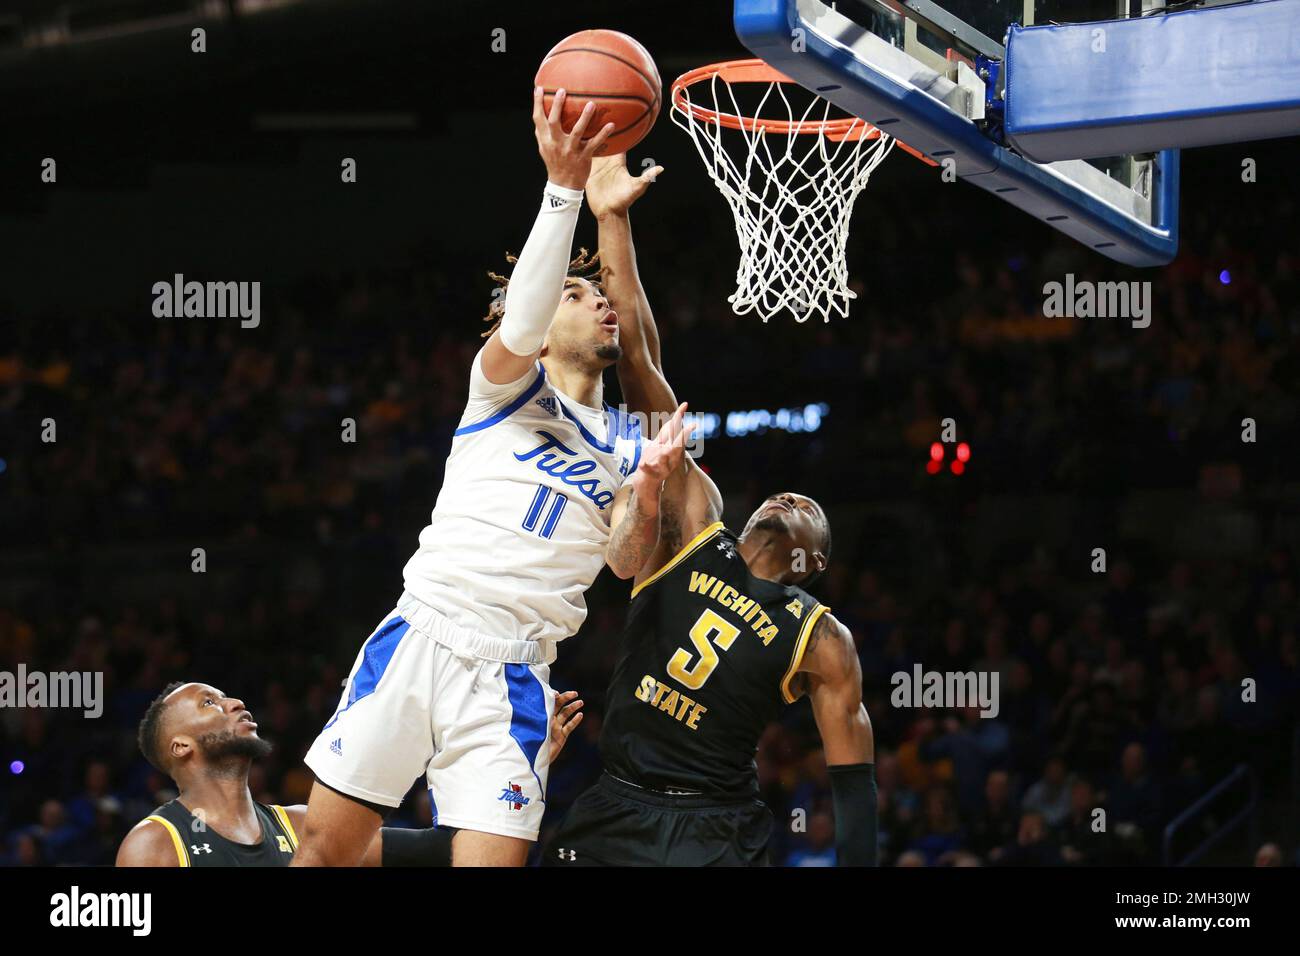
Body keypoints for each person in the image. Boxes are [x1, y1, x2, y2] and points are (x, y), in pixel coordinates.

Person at [291, 88, 692, 867]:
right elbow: (519, 318)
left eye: (596, 293)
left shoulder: (629, 443)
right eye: (574, 296)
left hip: (514, 676)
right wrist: (565, 189)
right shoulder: (502, 388)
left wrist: (644, 494)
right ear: (541, 332)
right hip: (423, 636)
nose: (598, 303)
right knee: (324, 854)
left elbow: (626, 561)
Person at [540, 154, 877, 866]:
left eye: (809, 507)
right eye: (784, 494)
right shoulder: (697, 530)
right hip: (619, 801)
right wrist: (613, 219)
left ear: (814, 562)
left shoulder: (820, 637)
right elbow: (638, 359)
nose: (791, 498)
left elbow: (853, 779)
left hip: (718, 829)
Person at [116, 681, 582, 866]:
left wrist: (514, 766)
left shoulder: (302, 824)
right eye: (209, 704)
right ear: (181, 746)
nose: (234, 702)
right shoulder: (154, 845)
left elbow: (442, 849)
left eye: (226, 697)